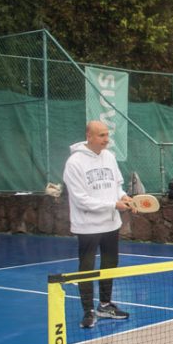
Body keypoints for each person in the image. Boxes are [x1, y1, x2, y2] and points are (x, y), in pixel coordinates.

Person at [63, 120, 134, 329]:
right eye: (102, 135)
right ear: (89, 136)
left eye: (107, 135)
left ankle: (105, 304)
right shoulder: (74, 163)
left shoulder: (110, 157)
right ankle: (88, 311)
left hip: (111, 224)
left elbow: (117, 186)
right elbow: (80, 199)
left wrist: (126, 198)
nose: (106, 139)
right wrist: (114, 204)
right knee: (86, 269)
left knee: (110, 264)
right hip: (87, 226)